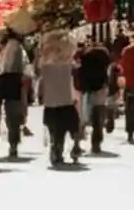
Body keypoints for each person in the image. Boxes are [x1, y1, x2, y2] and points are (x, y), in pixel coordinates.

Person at [37, 29, 80, 166]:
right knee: (71, 128)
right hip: (66, 100)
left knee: (54, 130)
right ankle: (70, 147)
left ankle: (55, 148)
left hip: (50, 102)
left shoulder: (44, 64)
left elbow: (40, 80)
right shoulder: (69, 64)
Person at [0, 29, 27, 160]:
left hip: (6, 78)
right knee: (12, 114)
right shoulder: (15, 46)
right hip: (13, 80)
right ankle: (12, 144)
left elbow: (6, 65)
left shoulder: (12, 45)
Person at [76, 39, 112, 153]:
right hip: (100, 89)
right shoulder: (103, 54)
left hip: (86, 90)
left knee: (82, 117)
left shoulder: (86, 56)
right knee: (98, 118)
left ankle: (77, 143)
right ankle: (96, 143)